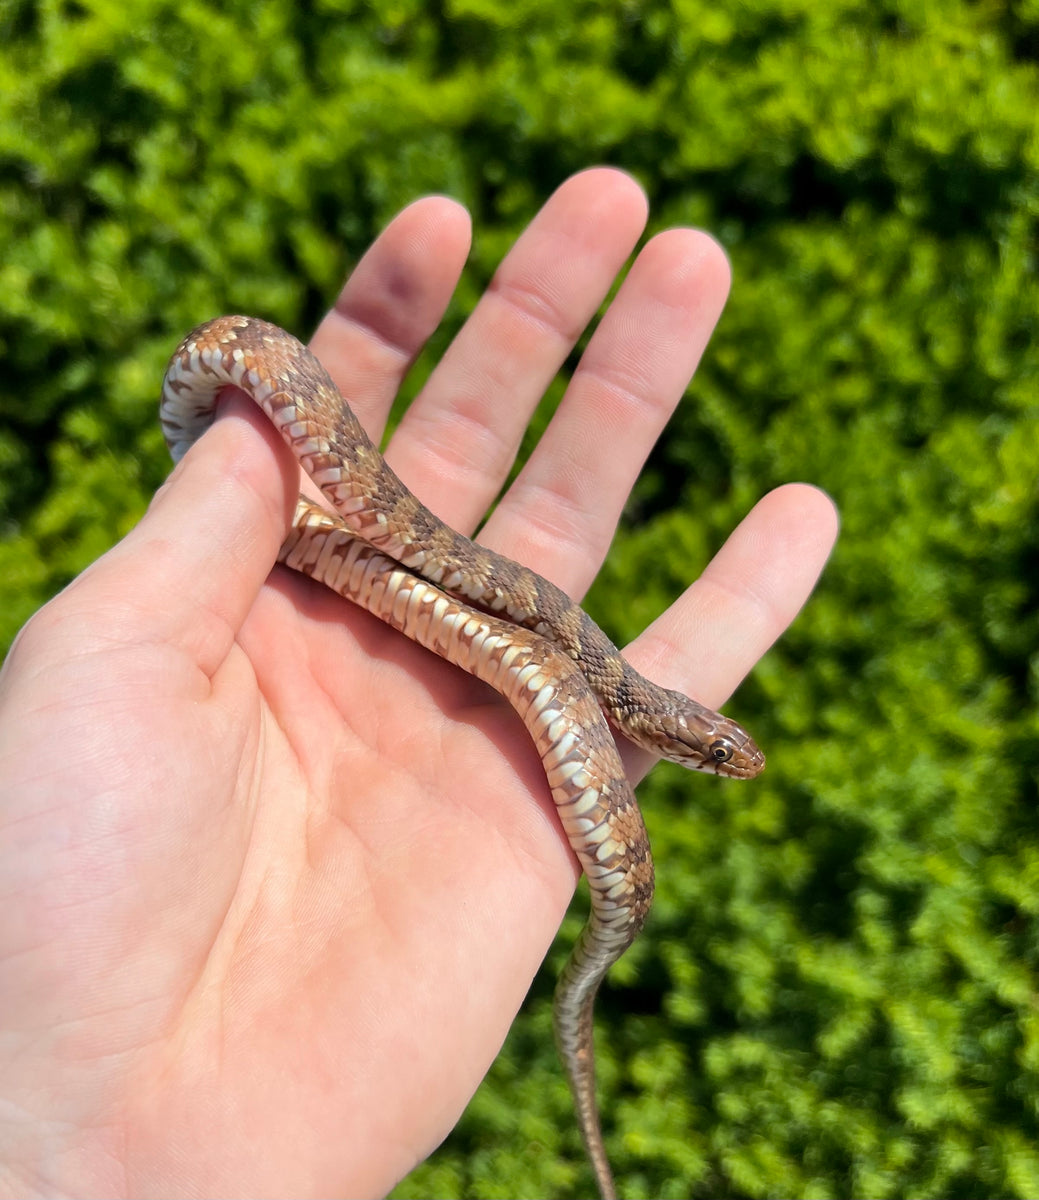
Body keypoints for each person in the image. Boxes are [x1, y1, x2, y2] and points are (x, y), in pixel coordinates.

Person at [0, 168, 838, 1197]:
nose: (715, 760)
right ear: (669, 731)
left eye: (712, 753)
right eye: (709, 751)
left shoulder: (599, 682)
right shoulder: (603, 681)